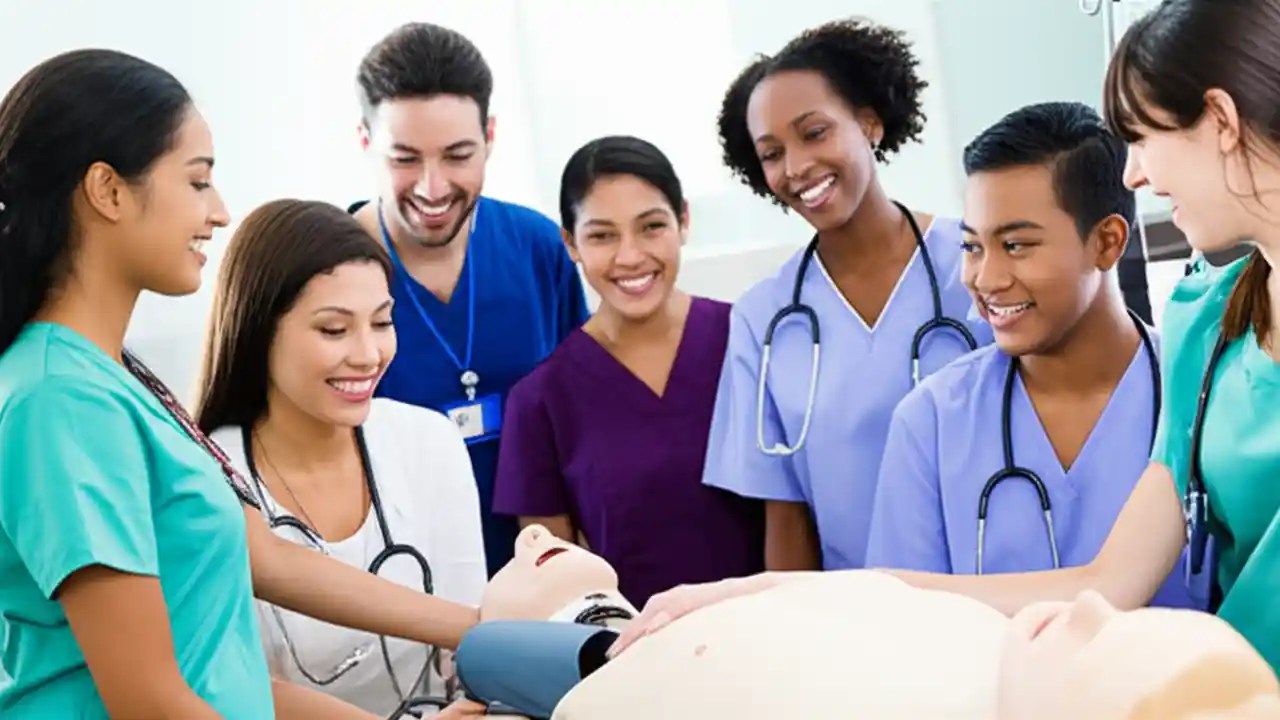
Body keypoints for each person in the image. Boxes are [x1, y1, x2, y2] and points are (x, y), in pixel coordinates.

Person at [613, 0, 1280, 678]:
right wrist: (765, 596)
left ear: (1221, 123)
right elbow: (1105, 587)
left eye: (1144, 137)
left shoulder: (1174, 353)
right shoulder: (1205, 320)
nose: (1136, 174)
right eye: (973, 246)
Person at [0, 49, 475, 719]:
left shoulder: (114, 376)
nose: (219, 212)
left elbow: (269, 563)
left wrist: (481, 631)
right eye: (197, 182)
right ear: (107, 190)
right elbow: (150, 703)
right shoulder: (60, 399)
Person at [864, 101, 1195, 609]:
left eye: (1016, 245)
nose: (984, 279)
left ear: (1107, 242)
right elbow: (901, 624)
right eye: (973, 247)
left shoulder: (1199, 395)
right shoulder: (931, 421)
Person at [699, 18, 994, 573]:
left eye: (814, 133)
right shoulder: (763, 317)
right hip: (858, 617)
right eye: (771, 153)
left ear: (870, 123)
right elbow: (784, 514)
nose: (796, 167)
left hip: (995, 594)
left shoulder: (977, 259)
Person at [195, 199, 487, 716]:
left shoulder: (427, 441)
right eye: (334, 329)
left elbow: (471, 640)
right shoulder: (207, 477)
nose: (369, 354)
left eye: (381, 322)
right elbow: (231, 691)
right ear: (258, 329)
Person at [453, 541, 1280, 720]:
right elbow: (872, 588)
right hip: (650, 638)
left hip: (597, 672)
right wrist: (767, 586)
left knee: (486, 647)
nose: (1095, 609)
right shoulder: (989, 646)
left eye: (1105, 644)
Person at [347, 22, 592, 577]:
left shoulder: (536, 246)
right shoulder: (327, 269)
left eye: (458, 155)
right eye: (404, 158)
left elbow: (577, 419)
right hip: (394, 583)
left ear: (490, 136)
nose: (433, 188)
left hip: (540, 571)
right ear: (365, 141)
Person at [491, 136, 764, 608]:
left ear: (683, 221)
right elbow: (559, 588)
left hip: (775, 635)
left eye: (651, 226)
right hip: (637, 659)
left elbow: (800, 514)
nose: (630, 256)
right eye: (602, 235)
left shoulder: (752, 343)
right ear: (570, 243)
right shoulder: (540, 401)